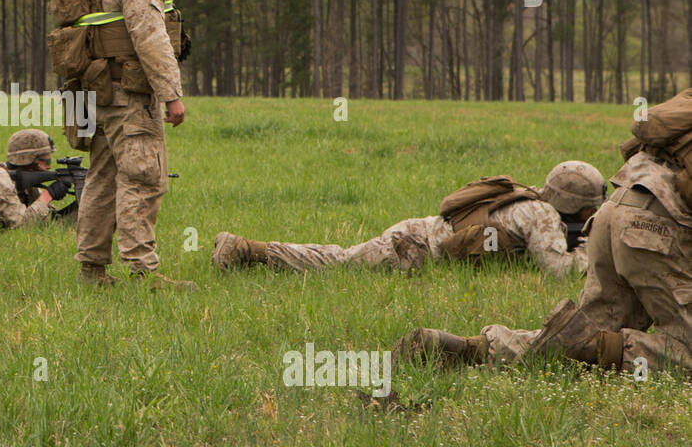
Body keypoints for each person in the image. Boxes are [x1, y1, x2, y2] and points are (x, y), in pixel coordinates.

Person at [394, 148, 692, 374]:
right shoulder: (541, 214)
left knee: (594, 330)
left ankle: (482, 348)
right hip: (659, 222)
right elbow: (558, 268)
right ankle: (586, 349)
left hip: (622, 203)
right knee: (682, 353)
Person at [73, 0, 193, 290]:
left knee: (102, 180)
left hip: (100, 95)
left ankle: (91, 271)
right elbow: (151, 39)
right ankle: (145, 273)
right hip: (130, 98)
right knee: (143, 178)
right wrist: (172, 94)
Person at [212, 161, 606, 279]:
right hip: (410, 250)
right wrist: (592, 247)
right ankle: (245, 249)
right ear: (581, 206)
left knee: (337, 261)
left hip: (415, 239)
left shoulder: (533, 199)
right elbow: (559, 271)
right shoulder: (542, 216)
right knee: (333, 263)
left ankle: (248, 250)